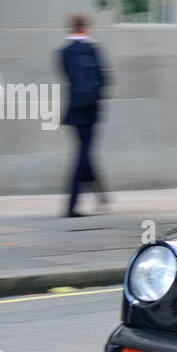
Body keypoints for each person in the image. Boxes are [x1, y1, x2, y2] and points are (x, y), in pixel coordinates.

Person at [59, 14, 109, 216]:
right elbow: (105, 79)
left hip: (74, 109)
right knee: (83, 154)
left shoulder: (64, 53)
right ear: (86, 28)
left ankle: (101, 195)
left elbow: (67, 76)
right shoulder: (94, 50)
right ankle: (71, 204)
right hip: (91, 110)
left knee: (85, 151)